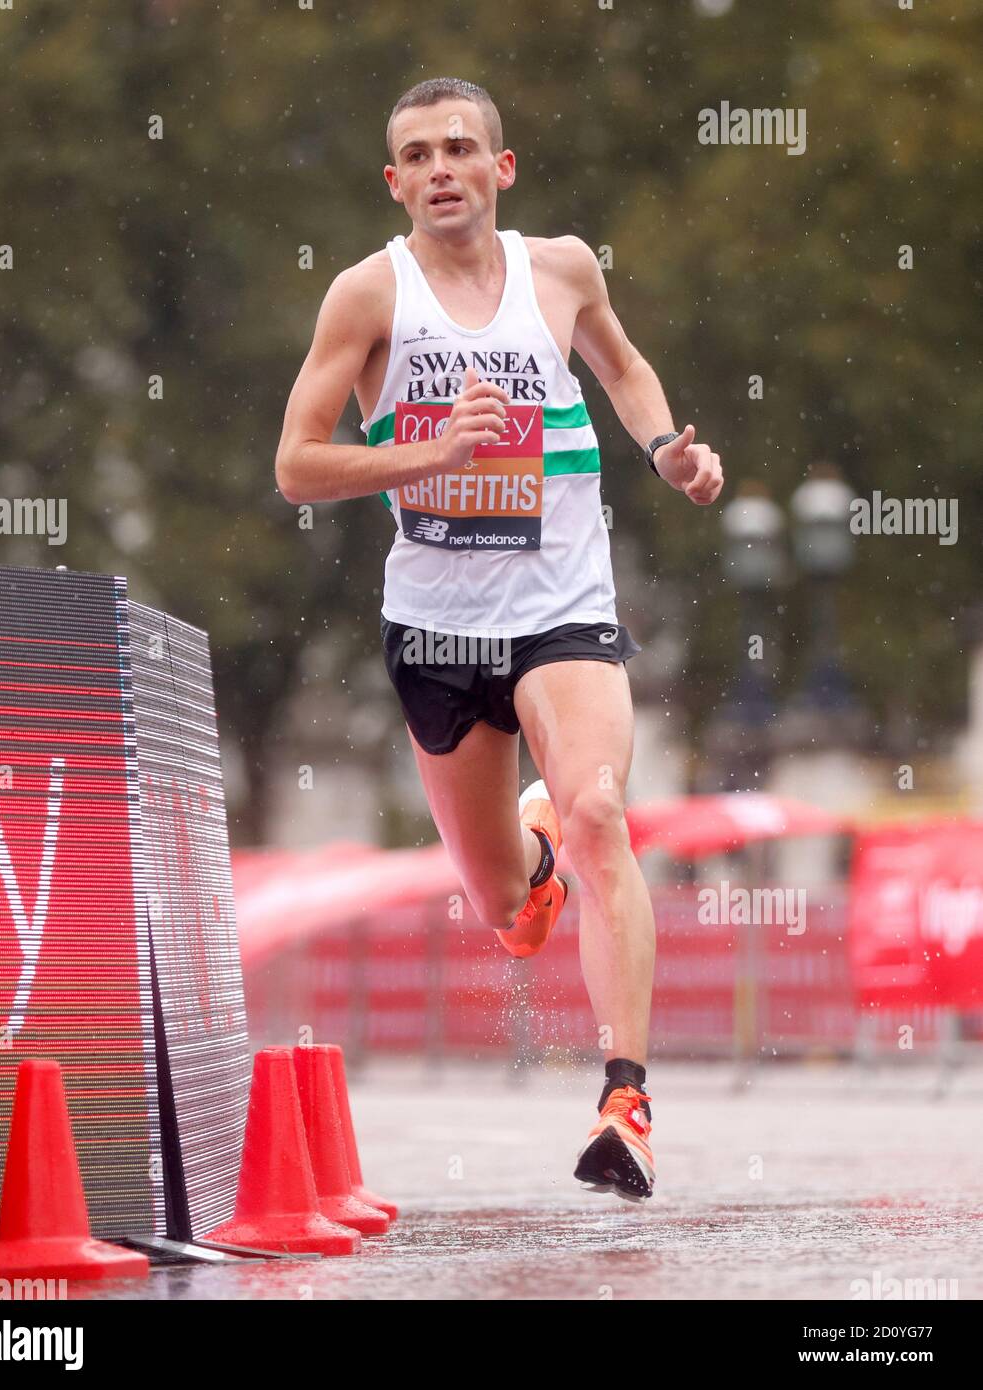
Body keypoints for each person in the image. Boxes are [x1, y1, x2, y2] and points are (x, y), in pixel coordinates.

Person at [275, 77, 723, 1201]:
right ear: (395, 183)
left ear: (498, 169)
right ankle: (533, 850)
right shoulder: (365, 296)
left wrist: (665, 443)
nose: (440, 168)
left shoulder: (561, 268)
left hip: (562, 610)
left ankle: (624, 1100)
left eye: (459, 148)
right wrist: (424, 458)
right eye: (417, 154)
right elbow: (295, 462)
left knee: (601, 813)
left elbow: (621, 367)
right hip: (432, 631)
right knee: (513, 917)